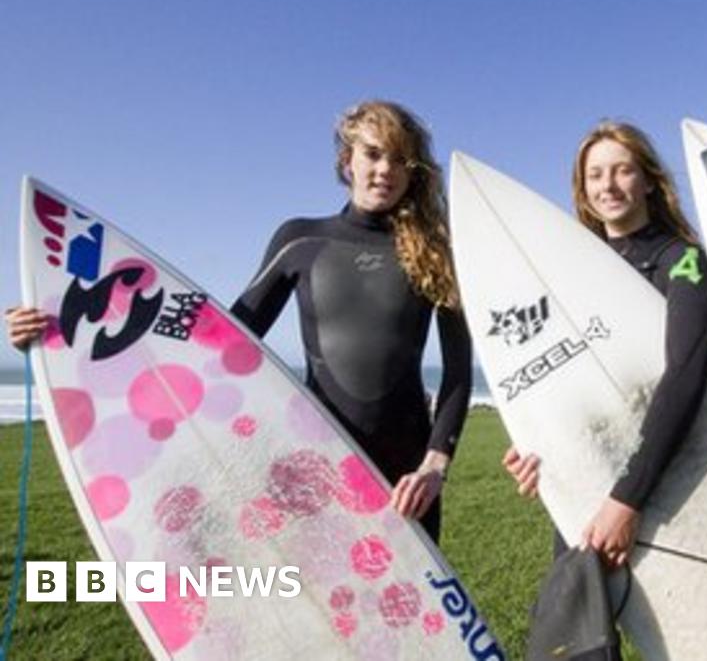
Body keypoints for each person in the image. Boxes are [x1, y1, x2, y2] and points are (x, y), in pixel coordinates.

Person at [5, 100, 472, 542]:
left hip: (407, 476)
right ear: (347, 160)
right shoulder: (301, 240)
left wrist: (434, 467)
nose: (386, 169)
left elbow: (457, 370)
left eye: (400, 159)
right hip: (316, 462)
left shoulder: (435, 254)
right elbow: (222, 342)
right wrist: (60, 328)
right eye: (373, 153)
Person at [503, 121, 707, 569]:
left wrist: (626, 499)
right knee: (576, 610)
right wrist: (536, 445)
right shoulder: (571, 275)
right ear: (583, 190)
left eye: (623, 170)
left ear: (648, 181)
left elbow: (685, 375)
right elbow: (565, 380)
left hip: (661, 475)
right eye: (596, 175)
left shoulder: (682, 260)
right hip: (592, 483)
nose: (609, 185)